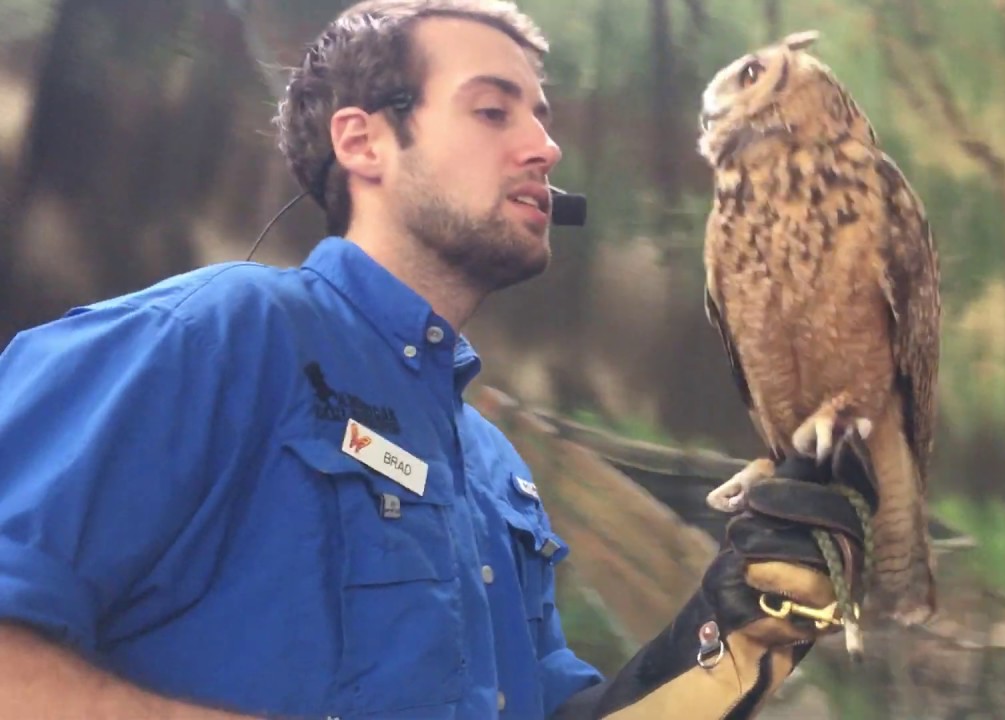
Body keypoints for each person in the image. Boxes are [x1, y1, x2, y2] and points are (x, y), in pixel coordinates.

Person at [0, 1, 870, 718]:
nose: (544, 146)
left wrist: (735, 637)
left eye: (542, 116)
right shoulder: (214, 338)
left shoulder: (495, 472)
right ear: (364, 141)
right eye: (494, 110)